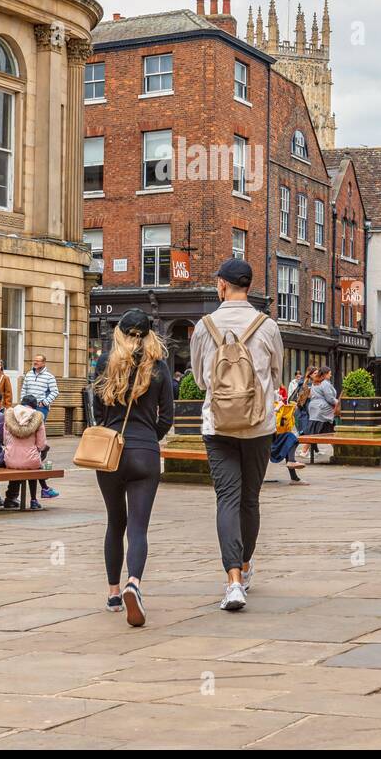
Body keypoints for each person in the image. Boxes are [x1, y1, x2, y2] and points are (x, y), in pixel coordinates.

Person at [190, 257, 283, 613]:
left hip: (218, 424)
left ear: (221, 285)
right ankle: (244, 568)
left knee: (226, 499)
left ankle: (231, 584)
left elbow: (200, 379)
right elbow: (275, 376)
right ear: (249, 286)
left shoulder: (205, 326)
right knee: (250, 499)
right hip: (259, 425)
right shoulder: (268, 325)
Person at [90, 309, 174, 626]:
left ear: (120, 333)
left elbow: (97, 410)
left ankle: (113, 593)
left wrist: (110, 431)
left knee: (115, 522)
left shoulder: (104, 362)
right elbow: (167, 416)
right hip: (145, 452)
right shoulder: (160, 367)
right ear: (149, 335)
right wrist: (151, 439)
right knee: (139, 528)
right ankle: (133, 584)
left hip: (110, 452)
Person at [21, 356, 61, 498]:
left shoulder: (49, 376)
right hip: (27, 405)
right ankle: (37, 452)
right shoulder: (29, 374)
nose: (35, 362)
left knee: (37, 431)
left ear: (44, 363)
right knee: (27, 431)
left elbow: (55, 391)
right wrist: (22, 402)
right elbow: (24, 389)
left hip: (40, 408)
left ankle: (38, 449)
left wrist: (44, 402)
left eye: (38, 360)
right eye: (34, 360)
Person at [2, 394, 48, 510]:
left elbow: (5, 439)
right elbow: (41, 445)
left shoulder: (9, 416)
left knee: (18, 465)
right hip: (30, 460)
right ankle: (33, 500)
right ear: (34, 406)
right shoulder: (38, 418)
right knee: (34, 466)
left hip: (10, 460)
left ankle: (11, 498)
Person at [306, 366, 340, 460]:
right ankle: (338, 451)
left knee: (314, 432)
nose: (331, 374)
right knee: (331, 432)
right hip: (323, 411)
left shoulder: (315, 382)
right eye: (329, 373)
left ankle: (309, 453)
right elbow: (329, 398)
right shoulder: (325, 383)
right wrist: (339, 403)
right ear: (325, 374)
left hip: (314, 409)